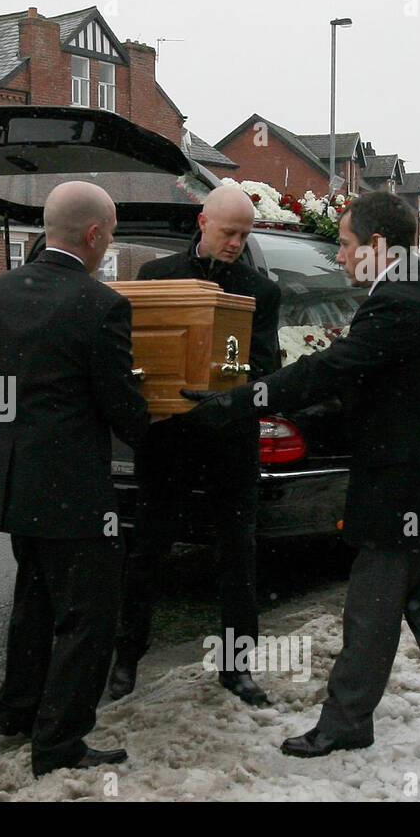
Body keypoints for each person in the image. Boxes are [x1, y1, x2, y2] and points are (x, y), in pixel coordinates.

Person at [182, 191, 420, 769]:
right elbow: (368, 387)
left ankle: (347, 724)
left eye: (349, 243)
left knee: (371, 612)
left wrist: (237, 403)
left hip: (412, 494)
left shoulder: (399, 303)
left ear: (379, 246)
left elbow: (331, 369)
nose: (341, 255)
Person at [0, 180, 151, 777]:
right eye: (111, 234)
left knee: (34, 599)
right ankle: (60, 741)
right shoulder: (101, 306)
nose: (109, 243)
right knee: (87, 617)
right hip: (77, 486)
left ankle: (15, 712)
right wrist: (160, 426)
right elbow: (122, 409)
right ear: (94, 235)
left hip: (15, 477)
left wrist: (18, 429)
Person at [109, 183, 282, 705]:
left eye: (244, 235)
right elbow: (140, 354)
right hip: (169, 437)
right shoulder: (156, 277)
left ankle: (237, 667)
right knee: (149, 551)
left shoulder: (259, 291)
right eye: (229, 232)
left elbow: (268, 368)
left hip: (230, 439)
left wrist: (231, 392)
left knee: (239, 552)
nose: (236, 243)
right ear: (203, 223)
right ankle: (126, 658)